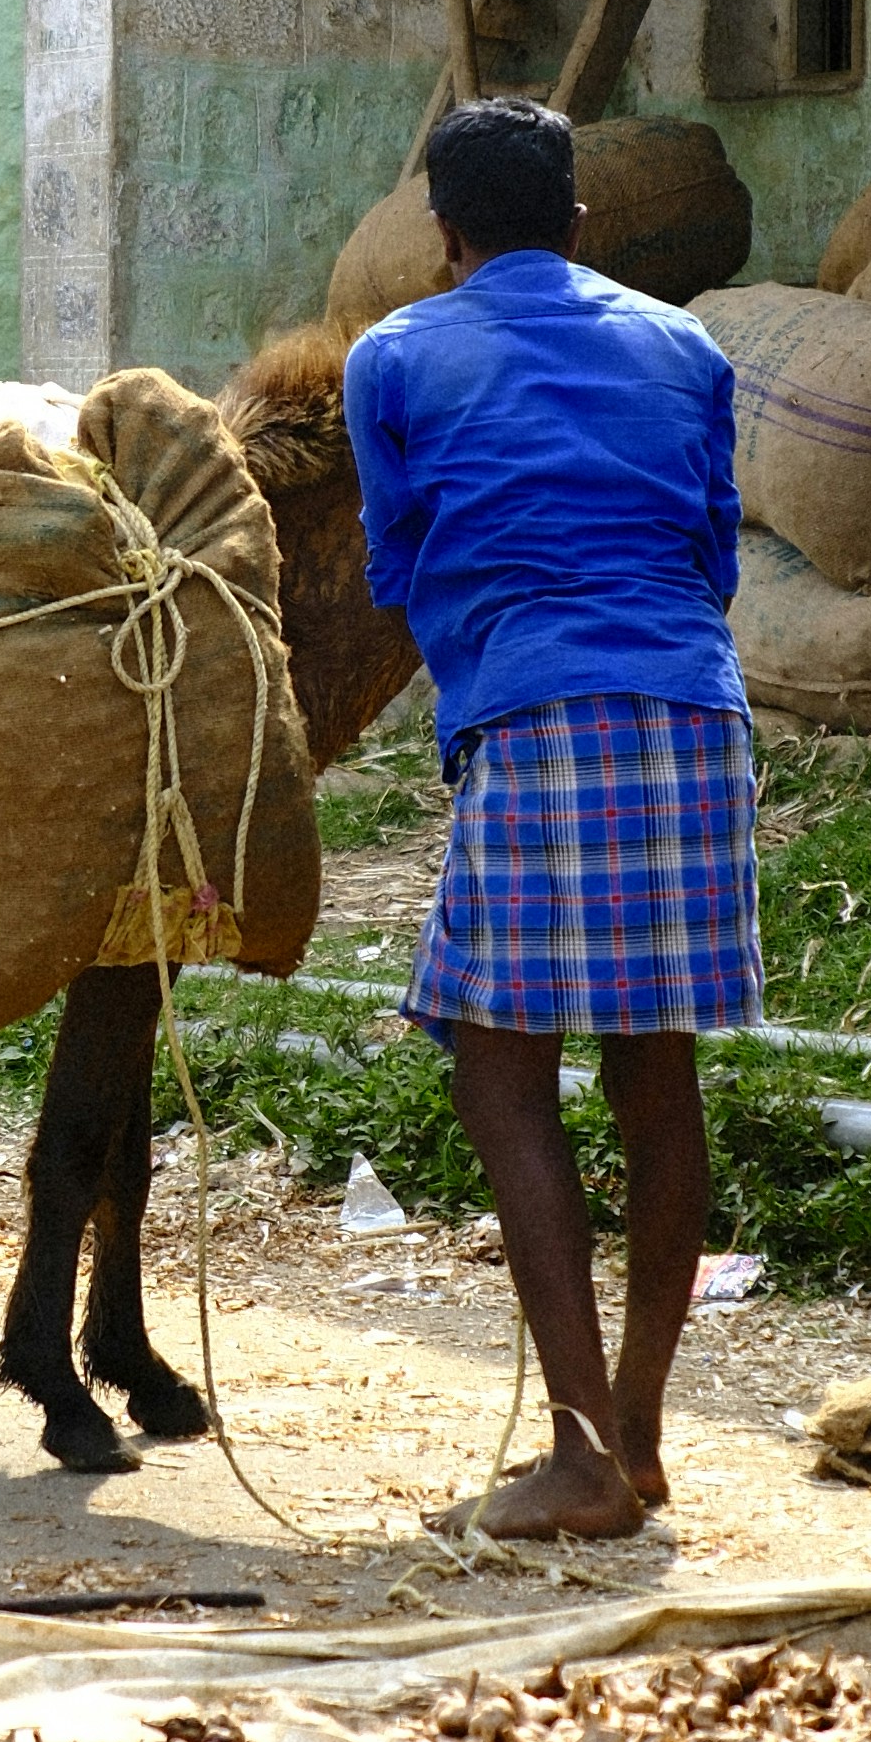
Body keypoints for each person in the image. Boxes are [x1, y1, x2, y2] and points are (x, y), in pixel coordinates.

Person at [342, 95, 758, 1540]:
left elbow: (398, 565)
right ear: (583, 221)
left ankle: (582, 1457)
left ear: (444, 235)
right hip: (696, 712)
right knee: (659, 1075)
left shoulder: (394, 355)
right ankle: (637, 1436)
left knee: (502, 1075)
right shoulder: (685, 343)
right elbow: (714, 553)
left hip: (533, 715)